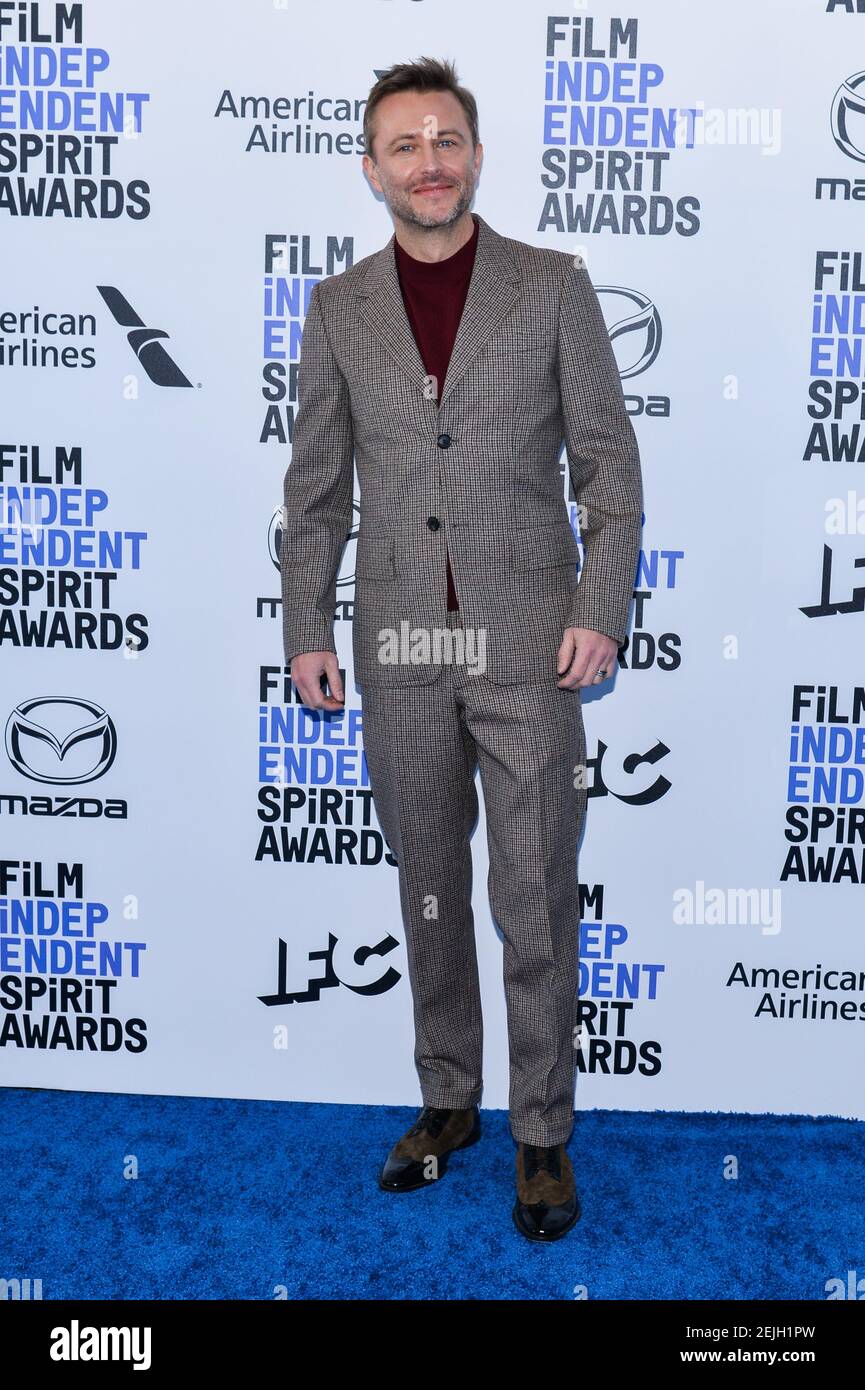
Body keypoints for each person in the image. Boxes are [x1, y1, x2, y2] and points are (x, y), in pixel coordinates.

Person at [280, 56, 643, 1242]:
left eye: (446, 138)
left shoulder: (551, 285)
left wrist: (598, 604)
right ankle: (450, 1103)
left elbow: (610, 470)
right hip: (397, 641)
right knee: (429, 889)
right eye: (403, 143)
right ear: (371, 169)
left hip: (529, 640)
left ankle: (543, 1132)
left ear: (476, 155)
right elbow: (317, 493)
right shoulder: (338, 308)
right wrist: (305, 627)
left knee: (532, 895)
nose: (428, 159)